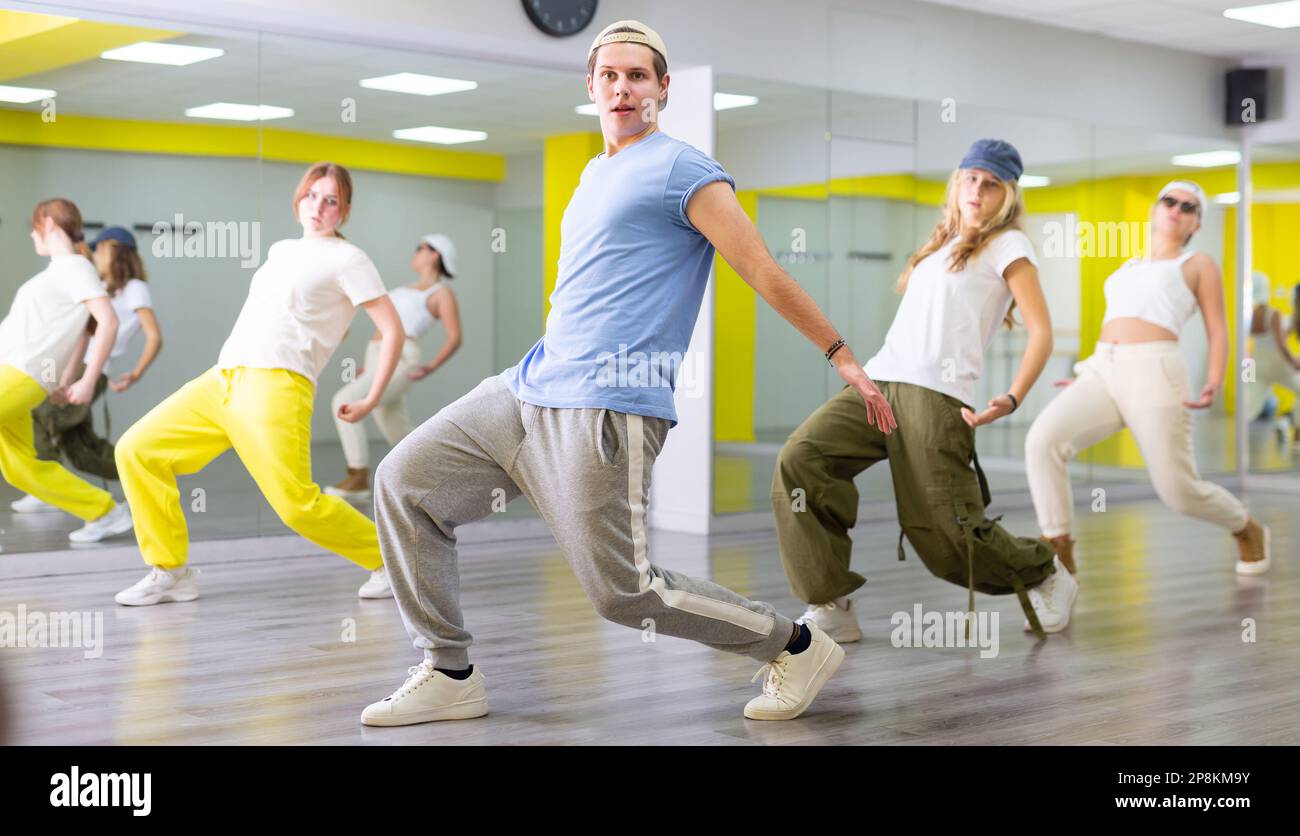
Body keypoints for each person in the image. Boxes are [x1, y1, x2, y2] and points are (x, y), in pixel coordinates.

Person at [360, 20, 896, 726]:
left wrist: (842, 355)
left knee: (622, 593)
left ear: (662, 89)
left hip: (606, 407)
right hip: (525, 388)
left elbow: (760, 267)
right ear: (591, 87)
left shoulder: (684, 169)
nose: (622, 86)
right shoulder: (594, 169)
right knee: (403, 482)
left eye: (637, 75)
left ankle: (796, 646)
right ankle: (448, 669)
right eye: (608, 75)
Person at [112, 162, 406, 605]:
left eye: (331, 201)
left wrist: (371, 397)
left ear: (343, 211)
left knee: (295, 504)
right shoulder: (281, 250)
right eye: (311, 196)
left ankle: (391, 561)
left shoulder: (349, 259)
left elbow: (392, 329)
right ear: (298, 200)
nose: (318, 207)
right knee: (136, 449)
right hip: (223, 378)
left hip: (277, 386)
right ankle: (170, 570)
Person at [1025, 180, 1271, 579]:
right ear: (1155, 211)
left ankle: (1246, 526)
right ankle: (1060, 555)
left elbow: (1218, 329)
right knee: (1042, 441)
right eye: (1169, 201)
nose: (1176, 209)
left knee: (1178, 492)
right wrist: (1092, 376)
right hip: (1103, 369)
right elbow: (1114, 322)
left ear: (1195, 224)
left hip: (1156, 372)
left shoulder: (1197, 264)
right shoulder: (1129, 267)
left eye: (1188, 207)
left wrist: (1213, 380)